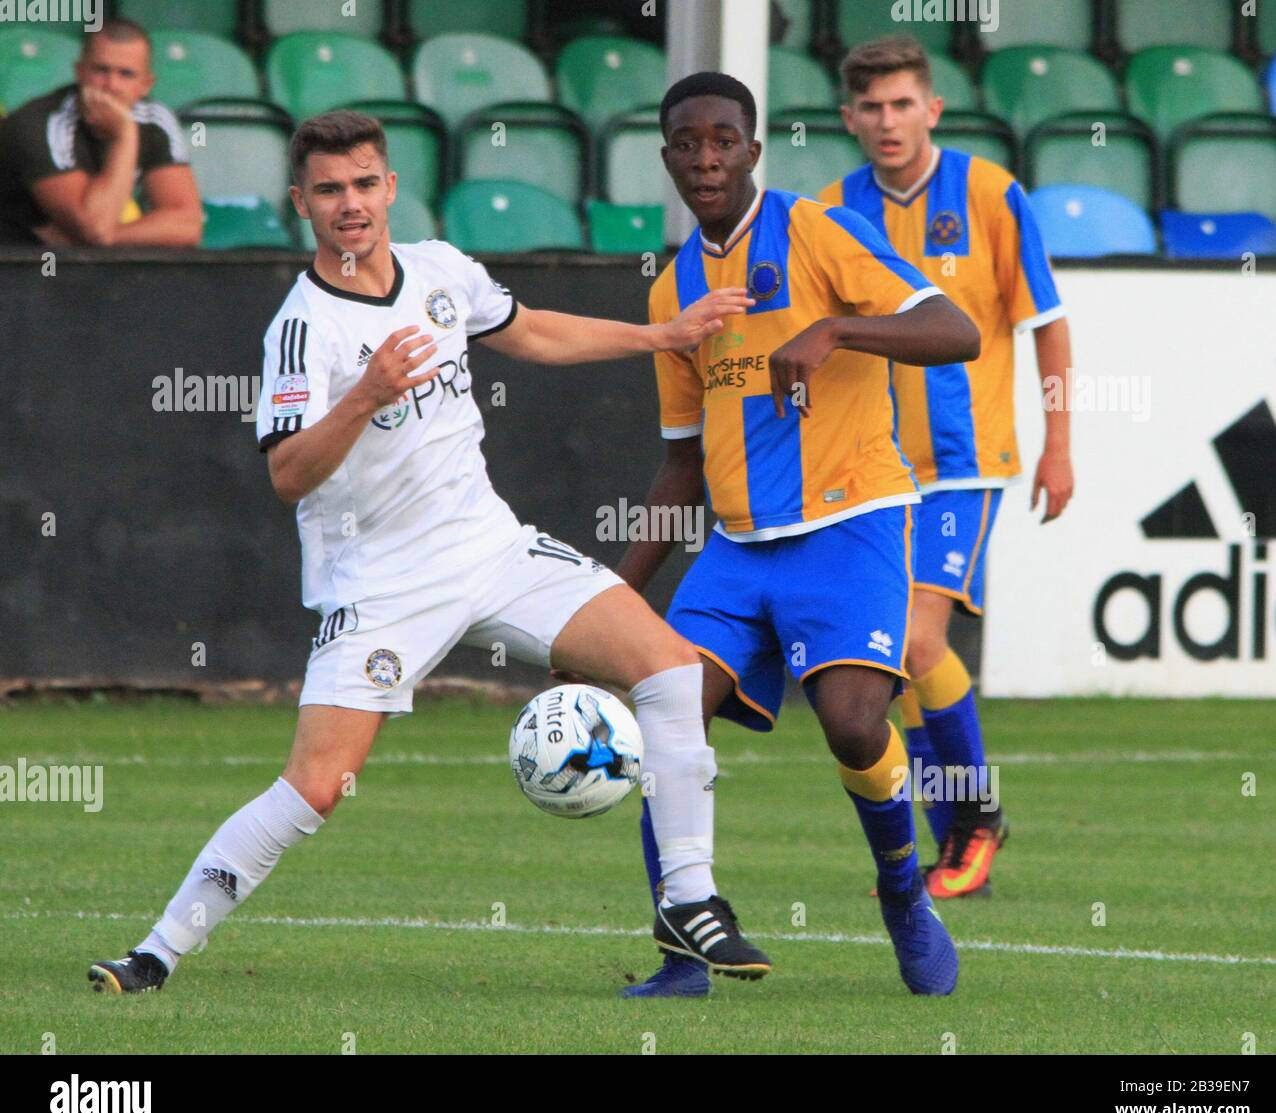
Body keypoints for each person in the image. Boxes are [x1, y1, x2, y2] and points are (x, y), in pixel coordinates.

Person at [87, 109, 769, 994]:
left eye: (365, 184)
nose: (350, 204)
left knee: (673, 667)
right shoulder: (303, 330)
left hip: (490, 546)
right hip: (380, 586)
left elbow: (529, 332)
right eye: (329, 190)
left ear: (391, 188)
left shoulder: (442, 271)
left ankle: (687, 896)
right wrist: (367, 393)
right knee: (317, 788)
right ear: (302, 203)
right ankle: (156, 954)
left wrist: (660, 337)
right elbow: (289, 473)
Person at [619, 72, 980, 1000]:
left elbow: (957, 330)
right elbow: (681, 467)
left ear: (752, 150)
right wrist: (613, 599)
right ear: (667, 158)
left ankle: (904, 893)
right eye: (687, 142)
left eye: (723, 139)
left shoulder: (815, 231)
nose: (705, 157)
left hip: (851, 523)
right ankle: (681, 952)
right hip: (738, 548)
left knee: (856, 725)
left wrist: (838, 331)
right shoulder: (673, 292)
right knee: (666, 709)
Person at [820, 36, 1074, 899]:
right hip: (871, 468)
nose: (887, 122)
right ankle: (956, 847)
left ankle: (975, 822)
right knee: (895, 662)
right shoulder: (828, 211)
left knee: (921, 639)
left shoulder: (991, 194)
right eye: (871, 108)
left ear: (932, 108)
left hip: (965, 463)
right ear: (848, 118)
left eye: (902, 105)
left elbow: (1047, 319)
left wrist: (1060, 444)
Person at [0, 18, 201, 247]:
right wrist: (124, 137)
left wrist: (112, 236)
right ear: (79, 72)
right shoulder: (38, 123)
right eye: (101, 70)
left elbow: (187, 225)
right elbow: (94, 227)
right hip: (18, 262)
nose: (111, 85)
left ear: (146, 84)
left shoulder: (156, 119)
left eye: (126, 74)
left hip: (81, 262)